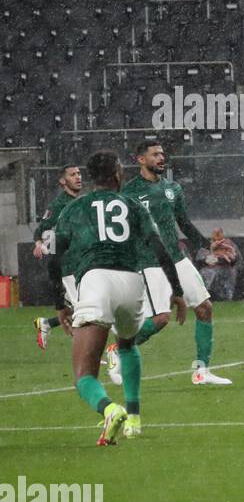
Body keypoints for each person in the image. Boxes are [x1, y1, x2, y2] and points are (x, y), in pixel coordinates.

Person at [46, 150, 186, 445]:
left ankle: (111, 410)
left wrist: (60, 304)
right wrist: (178, 290)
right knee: (126, 344)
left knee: (84, 375)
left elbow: (54, 257)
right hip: (131, 281)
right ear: (117, 174)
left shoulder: (74, 208)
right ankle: (134, 417)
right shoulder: (132, 204)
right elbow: (160, 248)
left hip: (97, 280)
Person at [118, 139, 230, 385]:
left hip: (178, 258)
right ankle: (119, 349)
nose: (161, 158)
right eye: (155, 154)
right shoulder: (128, 192)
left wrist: (205, 244)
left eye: (162, 154)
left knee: (204, 308)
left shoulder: (173, 189)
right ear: (141, 160)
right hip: (150, 261)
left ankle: (201, 371)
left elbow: (184, 223)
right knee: (160, 320)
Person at [31, 164, 83, 350]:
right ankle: (88, 352)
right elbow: (42, 228)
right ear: (63, 181)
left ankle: (47, 323)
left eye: (79, 173)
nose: (78, 177)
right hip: (68, 266)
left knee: (85, 307)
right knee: (87, 310)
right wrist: (38, 242)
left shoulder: (81, 201)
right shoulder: (59, 204)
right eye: (72, 174)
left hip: (82, 265)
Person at [198, 227, 240, 300]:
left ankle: (226, 298)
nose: (217, 236)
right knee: (207, 274)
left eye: (219, 233)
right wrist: (212, 251)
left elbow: (234, 259)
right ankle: (207, 296)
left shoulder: (229, 244)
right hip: (209, 270)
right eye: (215, 233)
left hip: (227, 271)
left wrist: (227, 256)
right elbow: (204, 260)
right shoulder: (207, 244)